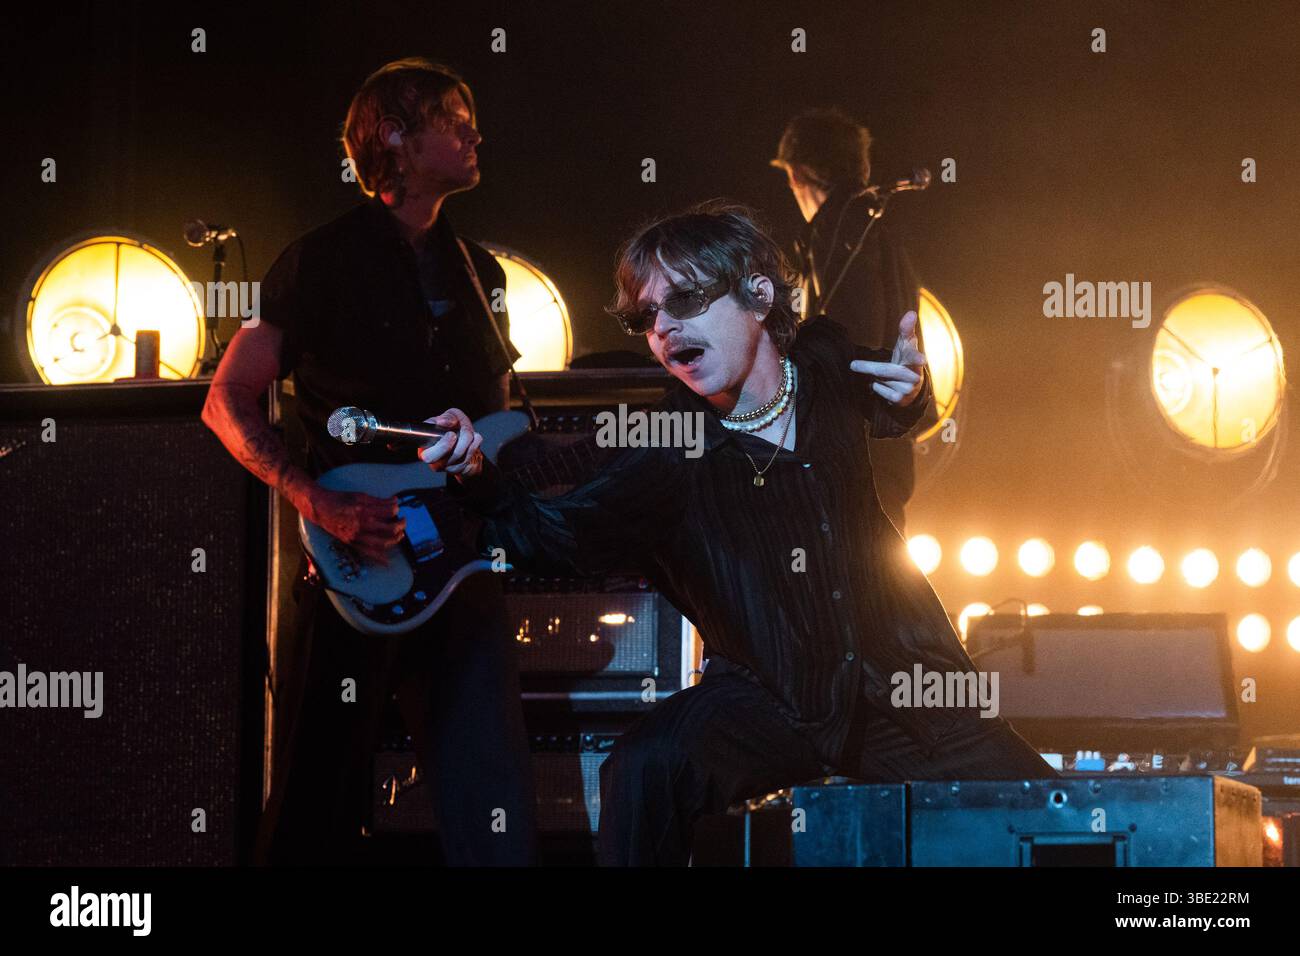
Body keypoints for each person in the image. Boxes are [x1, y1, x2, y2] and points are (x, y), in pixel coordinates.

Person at [422, 201, 1056, 866]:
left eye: (686, 301)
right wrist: (476, 478)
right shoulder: (667, 452)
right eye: (646, 318)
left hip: (903, 686)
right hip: (766, 698)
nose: (663, 328)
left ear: (758, 294)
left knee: (1061, 827)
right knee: (647, 766)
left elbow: (884, 391)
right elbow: (556, 534)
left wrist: (910, 397)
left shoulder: (823, 363)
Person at [202, 57, 537, 865]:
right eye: (455, 121)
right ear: (395, 133)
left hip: (458, 563)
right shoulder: (314, 261)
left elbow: (502, 419)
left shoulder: (478, 270)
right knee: (315, 801)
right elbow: (225, 400)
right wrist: (315, 500)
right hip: (360, 556)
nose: (474, 135)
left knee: (492, 800)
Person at [772, 107, 925, 529]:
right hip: (880, 453)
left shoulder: (839, 232)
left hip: (850, 461)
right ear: (862, 166)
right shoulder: (872, 229)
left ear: (797, 174)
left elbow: (850, 343)